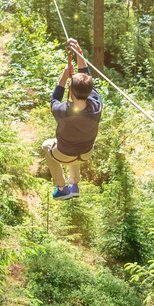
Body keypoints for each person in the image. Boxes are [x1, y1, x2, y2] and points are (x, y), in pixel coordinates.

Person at [42, 38, 101, 200]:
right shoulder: (97, 106)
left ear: (71, 92)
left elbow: (54, 99)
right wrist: (79, 52)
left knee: (47, 145)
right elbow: (85, 74)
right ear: (89, 91)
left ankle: (61, 187)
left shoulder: (62, 111)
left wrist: (63, 76)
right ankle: (74, 185)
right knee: (75, 145)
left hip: (64, 154)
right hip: (86, 153)